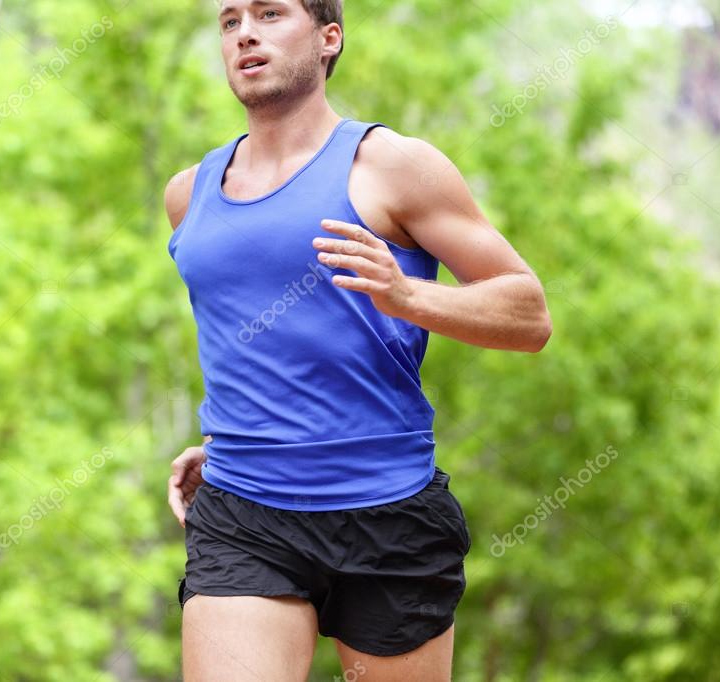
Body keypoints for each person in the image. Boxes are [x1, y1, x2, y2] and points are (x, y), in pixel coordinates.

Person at [164, 1, 552, 679]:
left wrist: (406, 296)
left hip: (387, 513)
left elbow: (527, 315)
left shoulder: (394, 166)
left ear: (328, 37)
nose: (245, 32)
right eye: (229, 21)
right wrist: (243, 437)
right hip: (242, 511)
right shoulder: (189, 193)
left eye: (269, 13)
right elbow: (253, 339)